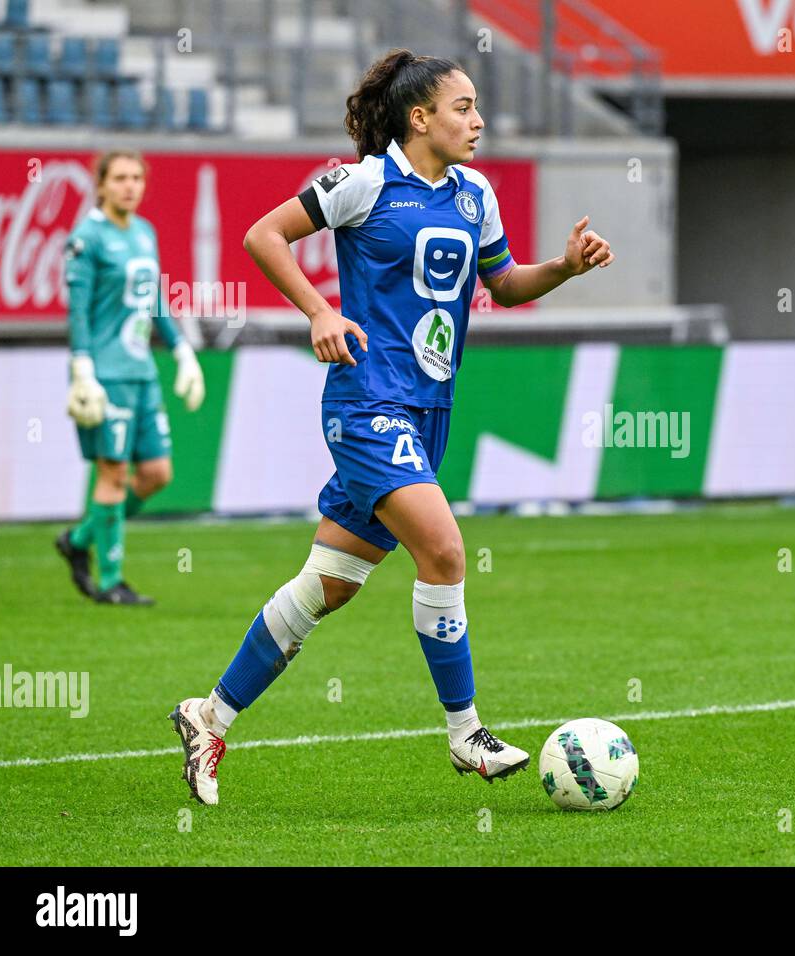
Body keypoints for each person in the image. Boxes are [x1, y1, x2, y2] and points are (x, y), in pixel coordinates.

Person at [169, 51, 614, 805]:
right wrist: (320, 309)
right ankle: (465, 732)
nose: (478, 122)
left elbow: (502, 287)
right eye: (464, 108)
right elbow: (262, 236)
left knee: (329, 587)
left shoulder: (476, 195)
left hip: (429, 412)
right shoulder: (364, 182)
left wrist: (565, 268)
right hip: (366, 405)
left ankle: (208, 716)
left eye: (476, 109)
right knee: (443, 550)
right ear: (420, 118)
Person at [56, 150, 206, 606]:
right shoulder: (87, 238)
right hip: (104, 373)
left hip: (141, 371)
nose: (129, 186)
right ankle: (110, 581)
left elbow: (155, 299)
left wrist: (182, 351)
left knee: (158, 473)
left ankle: (80, 539)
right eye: (119, 178)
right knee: (113, 473)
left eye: (137, 178)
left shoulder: (144, 232)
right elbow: (78, 309)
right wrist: (82, 368)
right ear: (100, 185)